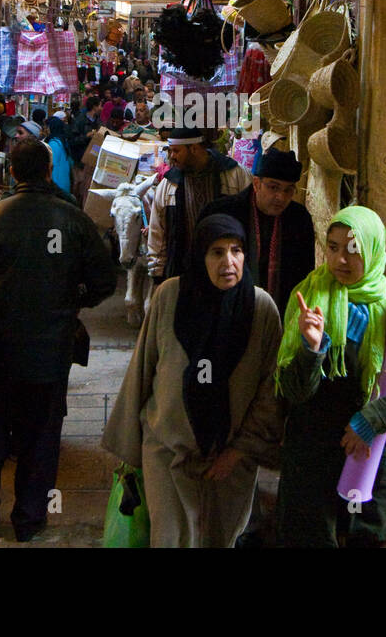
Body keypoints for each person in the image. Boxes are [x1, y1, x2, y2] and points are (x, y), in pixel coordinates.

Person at [0, 139, 118, 541]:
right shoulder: (73, 219)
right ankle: (29, 519)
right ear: (48, 171)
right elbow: (103, 281)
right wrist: (70, 300)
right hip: (50, 347)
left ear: (12, 172)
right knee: (41, 433)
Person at [103, 214, 282, 547]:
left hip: (231, 460)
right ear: (200, 256)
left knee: (220, 538)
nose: (229, 262)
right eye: (216, 252)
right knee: (169, 538)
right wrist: (130, 449)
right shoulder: (170, 297)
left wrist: (239, 451)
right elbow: (144, 366)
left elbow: (270, 390)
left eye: (236, 250)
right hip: (168, 451)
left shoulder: (260, 309)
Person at [275, 206, 386, 547]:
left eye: (353, 250)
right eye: (333, 248)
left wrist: (373, 419)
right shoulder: (309, 300)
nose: (340, 261)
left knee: (370, 539)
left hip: (371, 455)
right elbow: (293, 391)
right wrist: (312, 348)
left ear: (374, 250)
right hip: (312, 456)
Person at [201, 147, 314, 316]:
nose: (281, 197)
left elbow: (305, 274)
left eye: (288, 190)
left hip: (281, 313)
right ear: (256, 184)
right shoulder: (222, 213)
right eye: (273, 187)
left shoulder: (299, 219)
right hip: (227, 310)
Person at [147, 128, 251, 283]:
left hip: (228, 271)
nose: (171, 157)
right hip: (185, 273)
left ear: (194, 149)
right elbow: (158, 233)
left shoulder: (234, 175)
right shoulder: (168, 186)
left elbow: (250, 222)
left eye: (176, 151)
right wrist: (158, 274)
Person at [44, 117, 73, 197]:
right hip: (64, 184)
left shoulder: (54, 144)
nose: (46, 129)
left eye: (47, 127)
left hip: (57, 186)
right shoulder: (62, 141)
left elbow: (52, 165)